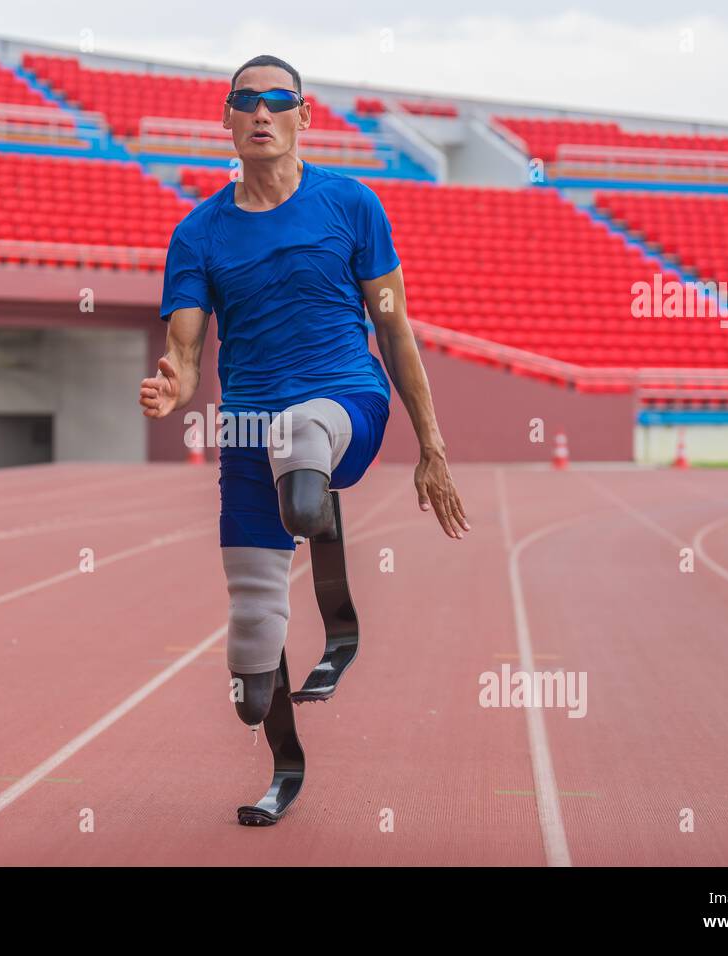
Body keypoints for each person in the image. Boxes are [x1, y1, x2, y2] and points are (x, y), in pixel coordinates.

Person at [140, 54, 470, 737]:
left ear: (305, 115)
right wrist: (174, 386)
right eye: (247, 100)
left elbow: (394, 327)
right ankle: (282, 743)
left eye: (278, 100)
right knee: (251, 677)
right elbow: (185, 352)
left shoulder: (351, 205)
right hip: (247, 431)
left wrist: (432, 446)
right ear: (228, 117)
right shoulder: (196, 234)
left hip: (343, 403)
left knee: (302, 448)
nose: (262, 112)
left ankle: (319, 532)